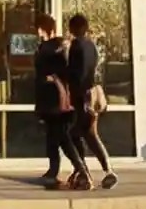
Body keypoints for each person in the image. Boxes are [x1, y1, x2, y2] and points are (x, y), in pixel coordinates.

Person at [33, 13, 91, 190]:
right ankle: (54, 169)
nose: (36, 32)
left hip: (58, 98)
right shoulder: (48, 46)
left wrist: (53, 77)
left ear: (44, 29)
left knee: (62, 137)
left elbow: (66, 70)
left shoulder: (57, 47)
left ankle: (82, 170)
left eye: (38, 28)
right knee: (53, 136)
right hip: (49, 97)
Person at [67, 14, 118, 190]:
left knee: (73, 135)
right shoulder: (91, 45)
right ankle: (108, 171)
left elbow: (76, 73)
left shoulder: (76, 45)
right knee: (90, 134)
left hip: (82, 96)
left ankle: (83, 174)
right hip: (95, 93)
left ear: (72, 29)